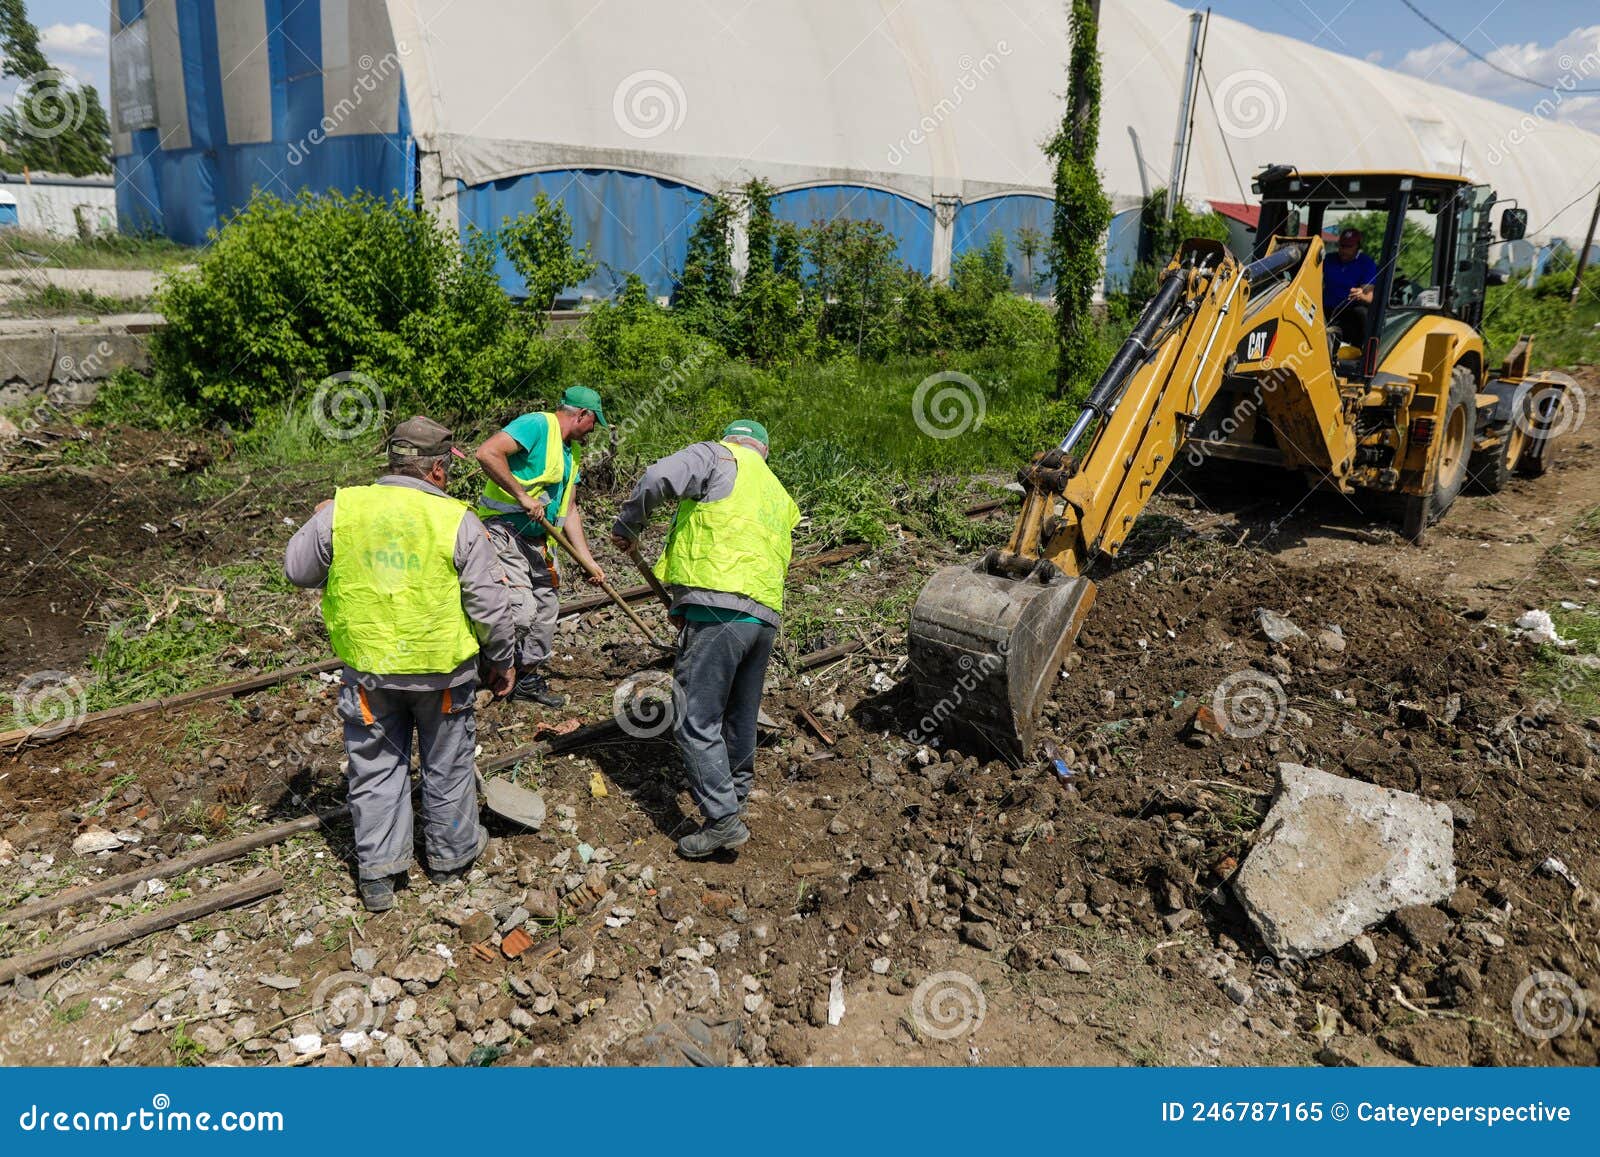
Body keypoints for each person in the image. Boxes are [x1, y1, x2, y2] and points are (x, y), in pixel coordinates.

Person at [284, 416, 515, 912]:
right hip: (443, 675)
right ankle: (451, 861)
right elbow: (490, 608)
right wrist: (501, 661)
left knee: (375, 767)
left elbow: (297, 570)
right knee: (447, 765)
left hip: (371, 673)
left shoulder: (343, 511)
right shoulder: (458, 520)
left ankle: (379, 877)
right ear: (435, 470)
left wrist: (321, 515)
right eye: (446, 470)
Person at [610, 419, 801, 859]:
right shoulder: (777, 492)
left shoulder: (717, 456)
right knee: (739, 714)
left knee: (694, 717)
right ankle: (734, 795)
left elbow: (658, 477)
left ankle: (722, 821)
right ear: (764, 451)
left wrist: (629, 524)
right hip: (764, 617)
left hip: (721, 608)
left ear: (732, 439)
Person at [472, 387, 609, 708]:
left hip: (540, 541)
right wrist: (522, 496)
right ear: (581, 415)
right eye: (594, 422)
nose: (594, 430)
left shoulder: (570, 453)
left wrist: (586, 560)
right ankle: (487, 669)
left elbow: (570, 509)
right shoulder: (536, 424)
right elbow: (486, 453)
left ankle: (526, 677)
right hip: (506, 530)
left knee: (546, 610)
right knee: (520, 608)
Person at [1323, 226, 1378, 345]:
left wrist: (1360, 295)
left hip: (1350, 310)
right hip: (1325, 308)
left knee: (1362, 313)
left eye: (1349, 247)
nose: (1344, 250)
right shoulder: (1328, 259)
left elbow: (1369, 296)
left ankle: (1361, 351)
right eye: (1342, 246)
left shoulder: (1366, 264)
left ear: (1358, 247)